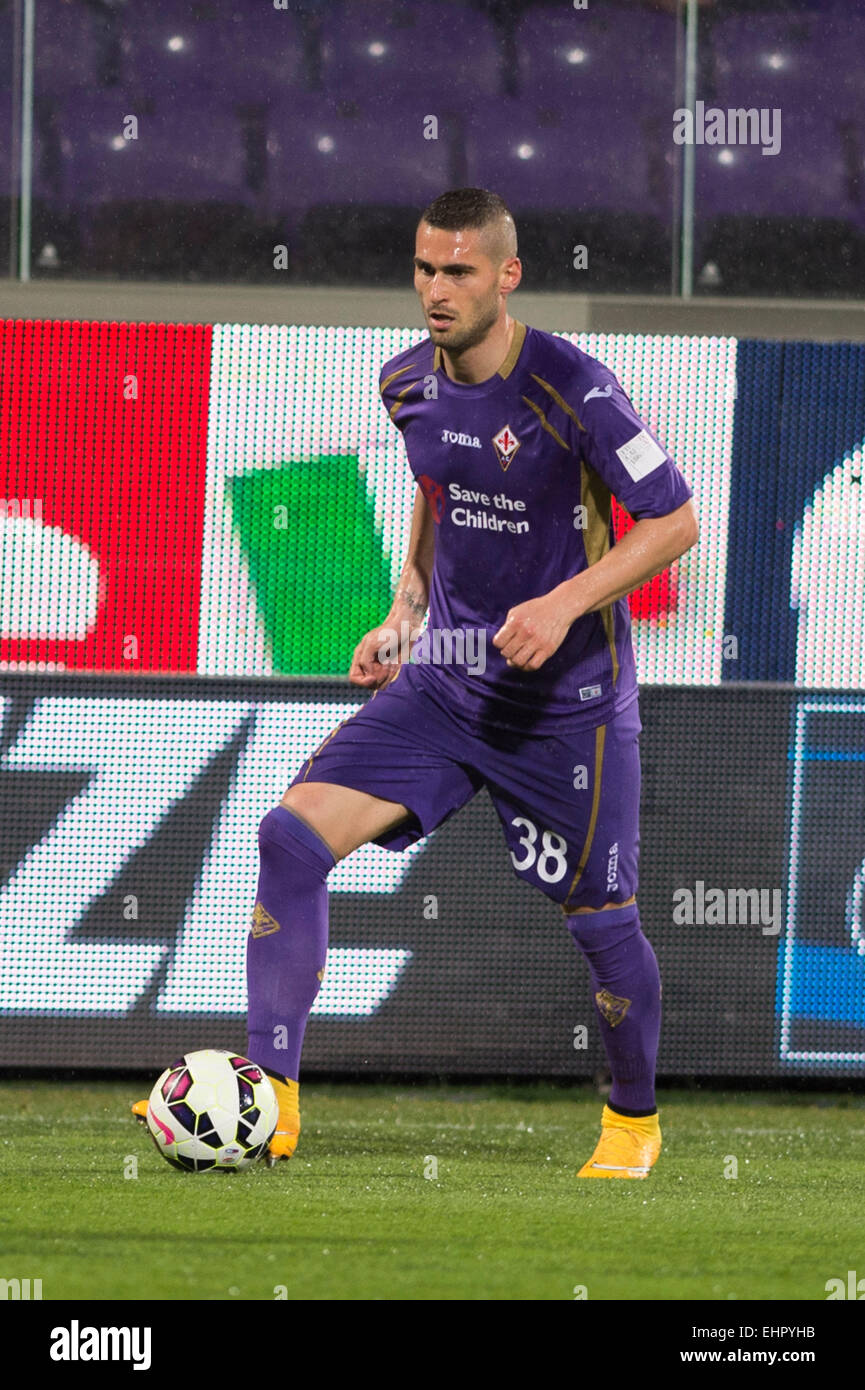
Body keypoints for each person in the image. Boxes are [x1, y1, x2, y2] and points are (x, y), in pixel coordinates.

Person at [135, 187, 698, 1177]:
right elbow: (437, 498)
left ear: (507, 275)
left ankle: (631, 1126)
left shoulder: (577, 389)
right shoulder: (406, 384)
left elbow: (673, 522)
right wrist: (402, 616)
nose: (437, 290)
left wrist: (564, 602)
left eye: (459, 271)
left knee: (604, 925)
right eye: (424, 269)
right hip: (444, 686)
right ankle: (273, 1102)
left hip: (566, 713)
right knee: (290, 836)